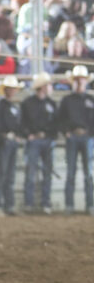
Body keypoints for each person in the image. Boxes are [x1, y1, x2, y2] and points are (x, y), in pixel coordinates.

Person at [57, 65, 94, 215]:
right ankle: (69, 205)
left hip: (87, 137)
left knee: (88, 173)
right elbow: (59, 119)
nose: (79, 83)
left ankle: (90, 205)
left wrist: (91, 134)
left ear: (86, 81)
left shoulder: (91, 100)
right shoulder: (66, 100)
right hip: (72, 137)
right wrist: (66, 131)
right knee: (71, 172)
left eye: (82, 80)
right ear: (73, 82)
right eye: (77, 80)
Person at [20, 72, 57, 215]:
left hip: (47, 140)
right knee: (31, 173)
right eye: (48, 85)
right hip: (34, 141)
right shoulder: (27, 103)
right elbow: (22, 123)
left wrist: (50, 135)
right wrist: (28, 135)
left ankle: (45, 203)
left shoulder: (51, 104)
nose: (50, 87)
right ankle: (29, 203)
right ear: (42, 87)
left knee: (46, 173)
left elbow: (56, 123)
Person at [0, 75, 23, 216]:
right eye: (9, 88)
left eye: (13, 88)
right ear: (5, 90)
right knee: (3, 174)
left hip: (11, 142)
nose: (11, 91)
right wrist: (5, 136)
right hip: (3, 143)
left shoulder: (11, 107)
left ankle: (8, 205)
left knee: (9, 175)